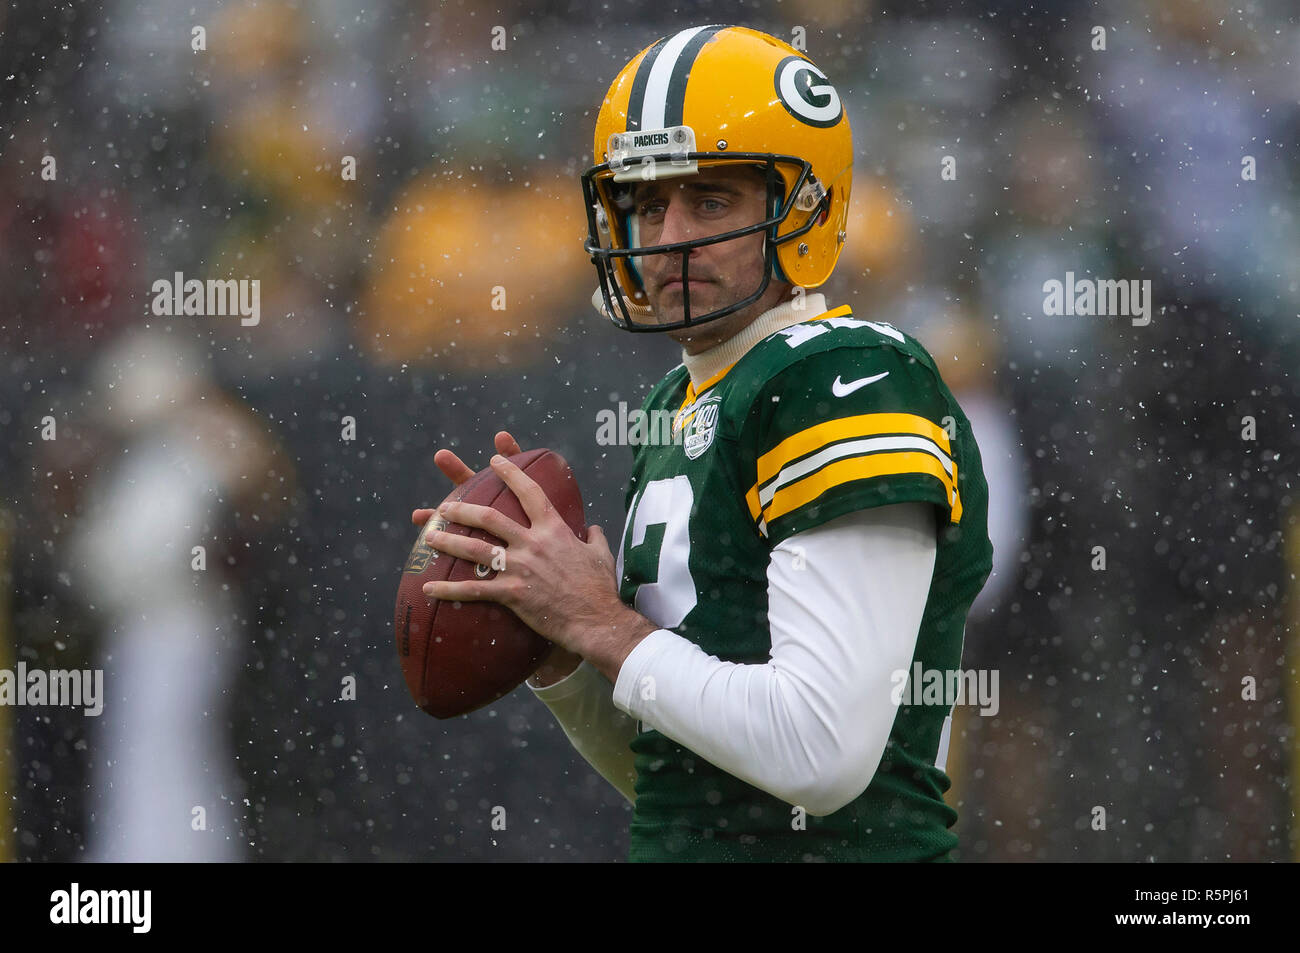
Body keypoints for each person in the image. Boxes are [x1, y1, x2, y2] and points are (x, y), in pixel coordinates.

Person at [410, 25, 992, 861]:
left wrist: (600, 621)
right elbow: (686, 785)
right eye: (646, 203)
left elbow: (820, 754)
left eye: (709, 200)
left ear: (804, 206)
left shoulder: (847, 376)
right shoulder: (678, 401)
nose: (667, 234)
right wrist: (557, 652)